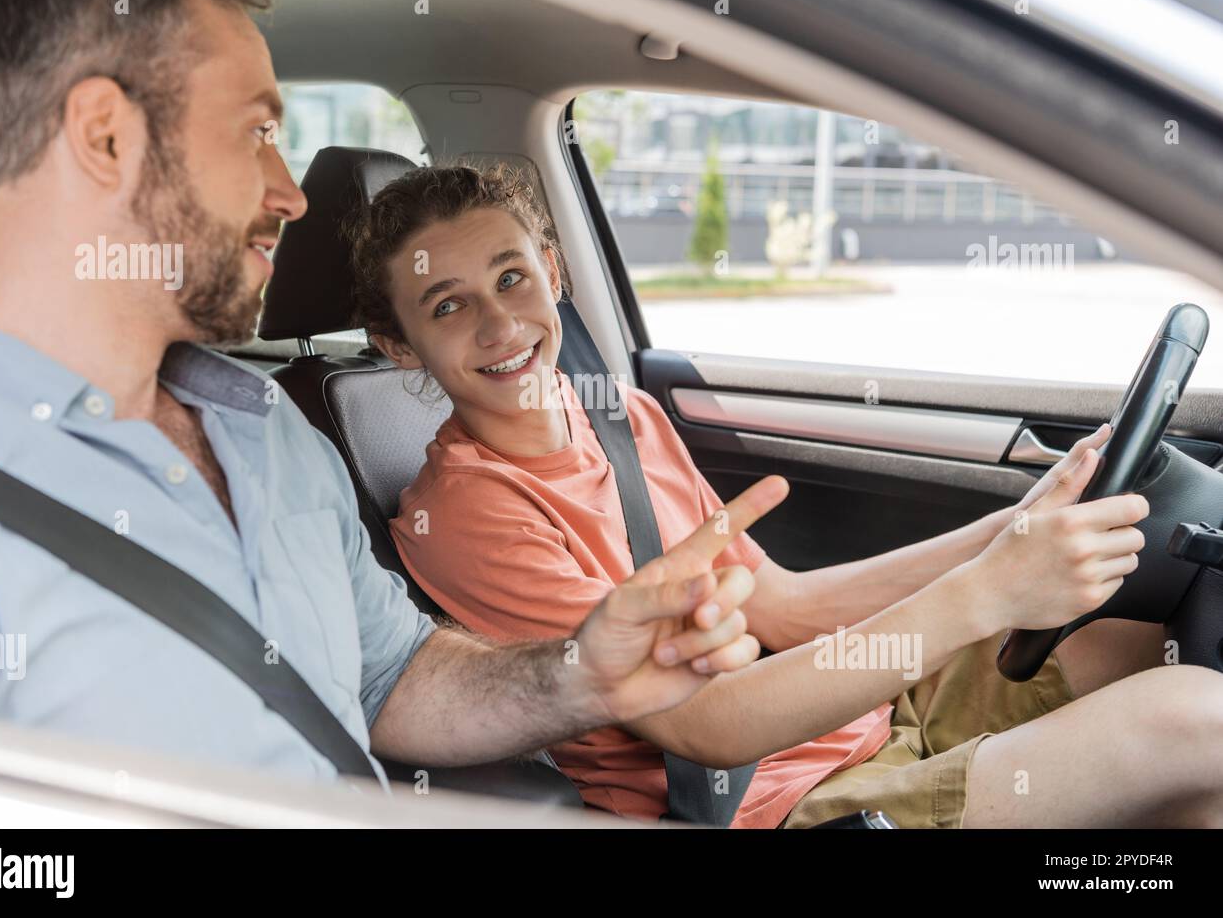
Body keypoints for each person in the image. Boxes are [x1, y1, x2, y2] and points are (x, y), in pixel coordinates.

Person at [0, 0, 775, 796]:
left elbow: (390, 678)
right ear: (105, 135)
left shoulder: (261, 423)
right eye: (256, 133)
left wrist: (581, 673)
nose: (289, 195)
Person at [353, 163, 1223, 827]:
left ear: (551, 269)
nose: (500, 325)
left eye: (511, 278)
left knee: (1148, 648)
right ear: (397, 345)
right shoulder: (469, 512)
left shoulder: (621, 418)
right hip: (773, 804)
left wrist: (1013, 526)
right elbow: (708, 728)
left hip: (867, 722)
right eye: (447, 305)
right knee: (1198, 718)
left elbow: (788, 604)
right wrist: (988, 592)